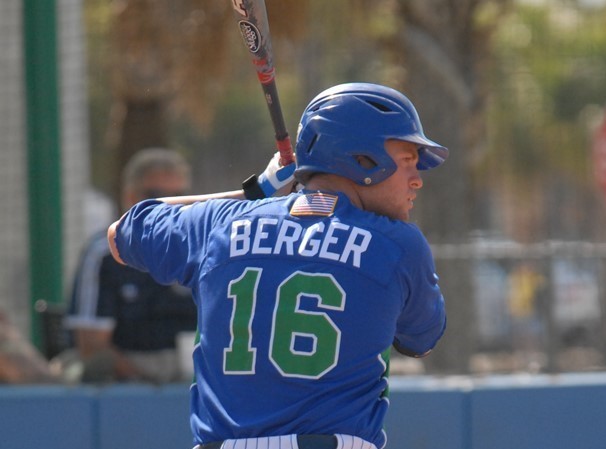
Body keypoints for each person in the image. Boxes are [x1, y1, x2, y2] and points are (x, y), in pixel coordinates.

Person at [108, 83, 448, 449]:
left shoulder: (219, 223)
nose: (417, 179)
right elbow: (420, 341)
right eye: (407, 160)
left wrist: (255, 191)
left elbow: (122, 231)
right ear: (363, 159)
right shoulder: (398, 244)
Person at [63, 148, 198, 384]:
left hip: (197, 370)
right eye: (156, 195)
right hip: (127, 380)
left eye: (179, 195)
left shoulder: (203, 246)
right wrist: (148, 385)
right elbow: (92, 345)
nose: (170, 204)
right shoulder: (105, 253)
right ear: (130, 198)